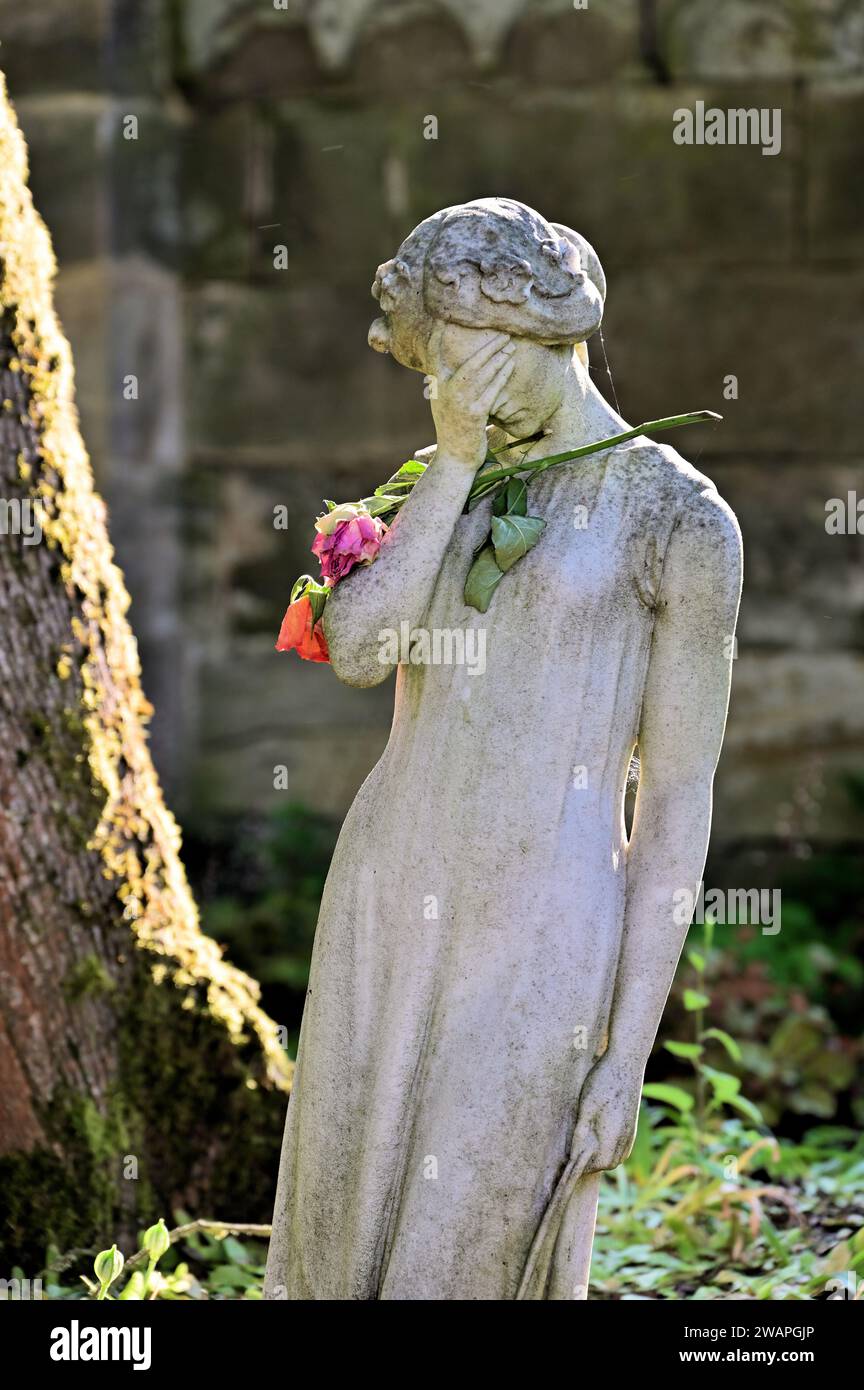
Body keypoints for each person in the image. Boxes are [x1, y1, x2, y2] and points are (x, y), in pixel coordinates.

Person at [265, 198, 742, 1300]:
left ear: (533, 321)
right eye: (432, 372)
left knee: (470, 1241)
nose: (446, 391)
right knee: (339, 1244)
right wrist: (453, 464)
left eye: (460, 362)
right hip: (390, 900)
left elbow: (677, 799)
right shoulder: (439, 480)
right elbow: (360, 653)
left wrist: (626, 1054)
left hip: (545, 926)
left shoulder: (677, 519)